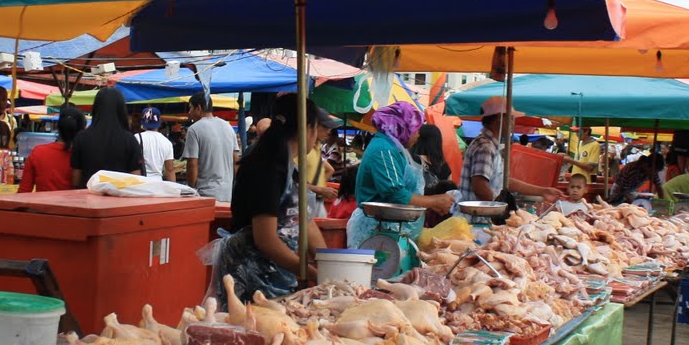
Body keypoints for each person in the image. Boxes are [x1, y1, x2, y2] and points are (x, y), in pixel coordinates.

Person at [214, 97, 332, 302]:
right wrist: (312, 273)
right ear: (308, 128)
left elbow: (304, 220)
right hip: (252, 279)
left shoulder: (288, 168)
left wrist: (329, 265)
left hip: (276, 276)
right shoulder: (267, 168)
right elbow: (265, 239)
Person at [346, 101, 456, 249]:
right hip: (375, 232)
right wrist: (433, 201)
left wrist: (429, 205)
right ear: (402, 127)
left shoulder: (395, 148)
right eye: (415, 129)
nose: (417, 135)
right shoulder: (383, 149)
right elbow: (395, 194)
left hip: (390, 231)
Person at [461, 97, 560, 204]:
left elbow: (504, 181)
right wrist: (500, 208)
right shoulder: (485, 147)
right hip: (476, 216)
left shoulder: (491, 146)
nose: (513, 123)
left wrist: (543, 191)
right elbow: (480, 187)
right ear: (500, 118)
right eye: (511, 118)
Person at [68, 87, 142, 185]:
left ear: (96, 108)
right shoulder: (130, 140)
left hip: (88, 196)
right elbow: (136, 178)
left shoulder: (81, 138)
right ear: (121, 109)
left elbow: (76, 178)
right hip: (120, 197)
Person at [183, 92, 241, 201]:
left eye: (190, 108)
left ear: (198, 108)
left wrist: (191, 188)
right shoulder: (228, 127)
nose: (189, 113)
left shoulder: (194, 129)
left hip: (205, 193)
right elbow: (236, 160)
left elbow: (192, 163)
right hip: (227, 192)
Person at [18, 104, 84, 192]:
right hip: (74, 205)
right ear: (82, 130)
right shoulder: (84, 157)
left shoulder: (39, 152)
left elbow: (24, 191)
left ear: (58, 127)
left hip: (42, 205)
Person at [135, 106, 176, 181]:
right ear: (159, 121)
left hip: (139, 182)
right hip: (158, 183)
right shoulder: (167, 142)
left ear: (143, 124)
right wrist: (174, 190)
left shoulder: (136, 138)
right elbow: (170, 170)